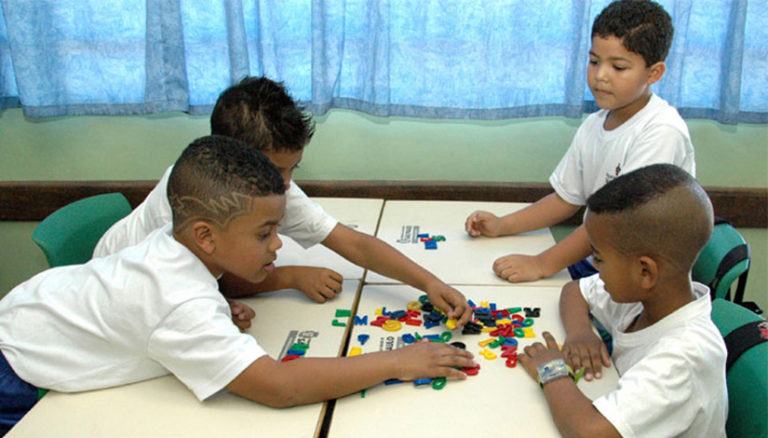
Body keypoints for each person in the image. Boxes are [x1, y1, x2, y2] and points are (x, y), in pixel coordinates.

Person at [0, 136, 476, 435]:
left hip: (29, 312)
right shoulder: (178, 300)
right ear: (206, 236)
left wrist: (217, 308)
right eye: (264, 234)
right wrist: (399, 359)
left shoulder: (176, 252)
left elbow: (149, 309)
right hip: (15, 372)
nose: (277, 248)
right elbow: (280, 387)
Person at [94, 77, 472, 326]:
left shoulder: (262, 186)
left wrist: (428, 282)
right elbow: (211, 281)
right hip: (123, 302)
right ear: (235, 160)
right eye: (278, 170)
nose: (287, 184)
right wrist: (287, 277)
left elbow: (353, 242)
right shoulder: (189, 204)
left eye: (294, 168)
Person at [465, 0, 695, 283]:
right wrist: (503, 225)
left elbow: (615, 223)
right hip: (599, 265)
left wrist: (541, 263)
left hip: (641, 283)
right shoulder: (595, 123)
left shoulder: (661, 132)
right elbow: (566, 198)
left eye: (619, 67)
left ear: (654, 73)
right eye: (594, 61)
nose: (600, 76)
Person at [518, 163, 727, 437]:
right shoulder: (648, 296)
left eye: (599, 258)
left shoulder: (684, 357)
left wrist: (552, 370)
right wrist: (581, 331)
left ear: (645, 271)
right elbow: (575, 290)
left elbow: (590, 432)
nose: (593, 264)